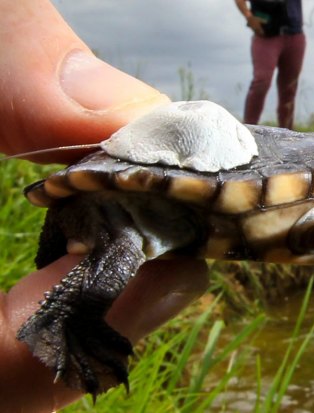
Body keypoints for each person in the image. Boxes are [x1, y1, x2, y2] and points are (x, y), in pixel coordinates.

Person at [0, 1, 208, 411]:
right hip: (112, 200)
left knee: (115, 248)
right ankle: (76, 326)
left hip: (98, 191)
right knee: (121, 247)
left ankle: (77, 323)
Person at [234, 0, 306, 129]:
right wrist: (249, 16)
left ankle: (288, 135)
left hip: (295, 34)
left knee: (289, 88)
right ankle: (248, 129)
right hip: (265, 36)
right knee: (261, 81)